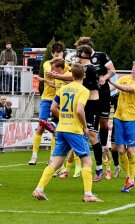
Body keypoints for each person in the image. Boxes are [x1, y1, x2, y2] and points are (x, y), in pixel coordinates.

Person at [32, 63, 102, 202]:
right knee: (87, 162)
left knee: (56, 162)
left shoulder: (63, 89)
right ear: (84, 75)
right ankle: (88, 194)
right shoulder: (83, 90)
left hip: (62, 129)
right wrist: (84, 126)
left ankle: (39, 189)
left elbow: (53, 108)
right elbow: (79, 110)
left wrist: (63, 118)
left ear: (72, 75)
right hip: (74, 130)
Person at [74, 37, 116, 181]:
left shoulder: (100, 57)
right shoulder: (81, 64)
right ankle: (74, 165)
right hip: (85, 99)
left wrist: (104, 77)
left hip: (101, 96)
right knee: (82, 132)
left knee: (101, 126)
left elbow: (112, 70)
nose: (78, 54)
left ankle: (103, 153)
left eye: (79, 50)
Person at [109, 60, 135, 193]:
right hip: (118, 117)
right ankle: (128, 177)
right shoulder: (123, 78)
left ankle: (131, 179)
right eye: (133, 66)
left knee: (130, 150)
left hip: (131, 119)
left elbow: (125, 89)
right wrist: (102, 85)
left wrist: (110, 81)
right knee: (120, 150)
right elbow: (112, 89)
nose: (134, 69)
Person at [28, 42, 66, 165]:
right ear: (52, 54)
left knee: (56, 129)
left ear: (63, 54)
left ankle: (51, 158)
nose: (57, 58)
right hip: (46, 98)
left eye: (59, 56)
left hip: (59, 98)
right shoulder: (47, 64)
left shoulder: (67, 66)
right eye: (55, 55)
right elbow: (51, 71)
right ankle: (34, 156)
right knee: (41, 125)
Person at [76, 45, 104, 182]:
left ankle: (99, 168)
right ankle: (76, 165)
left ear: (83, 55)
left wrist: (57, 76)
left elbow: (73, 77)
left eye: (78, 54)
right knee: (79, 134)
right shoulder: (85, 68)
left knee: (93, 136)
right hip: (84, 104)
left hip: (92, 106)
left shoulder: (89, 68)